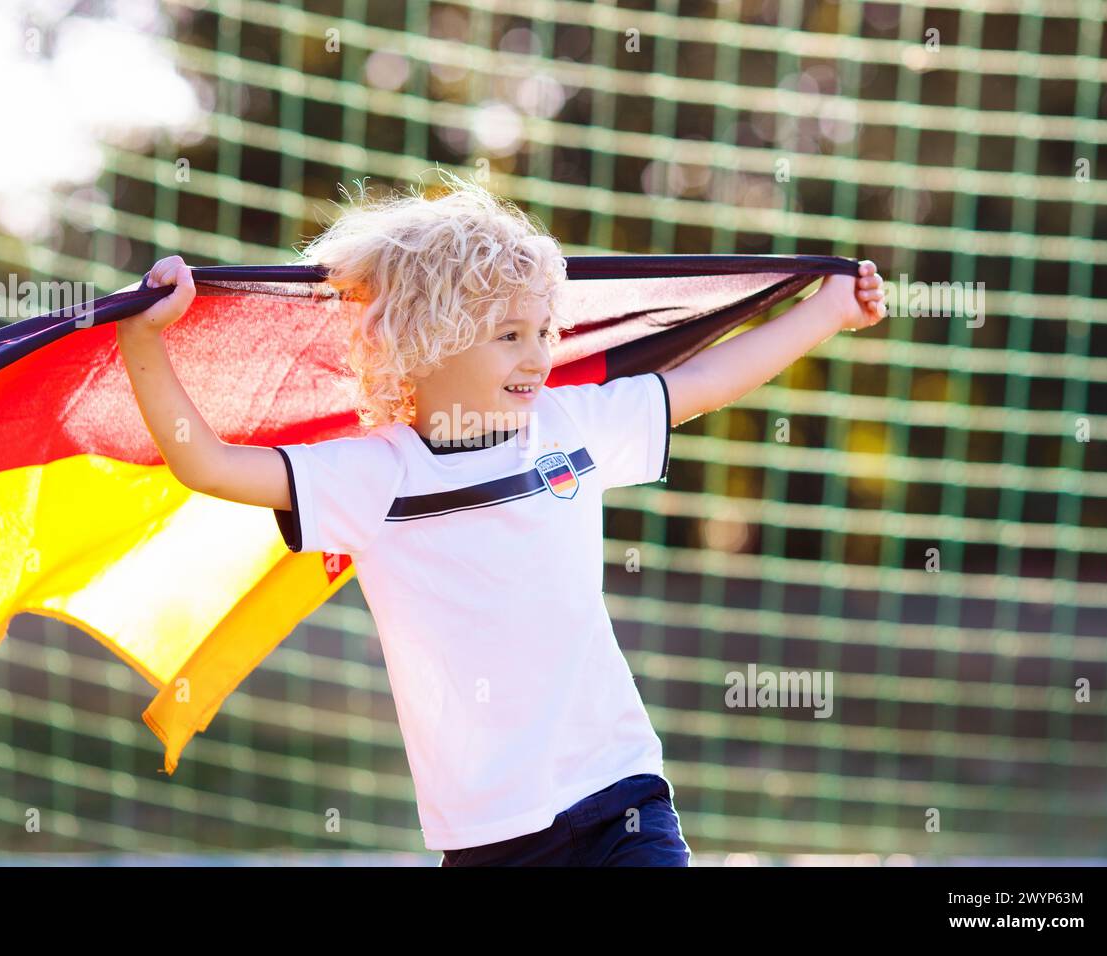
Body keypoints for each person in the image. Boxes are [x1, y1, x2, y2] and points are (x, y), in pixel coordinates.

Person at [114, 170, 887, 866]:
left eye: (543, 332)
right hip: (492, 837)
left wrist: (826, 311)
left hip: (620, 792)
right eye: (509, 336)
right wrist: (144, 340)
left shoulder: (572, 427)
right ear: (426, 343)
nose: (538, 356)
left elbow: (711, 378)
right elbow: (208, 464)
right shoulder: (375, 475)